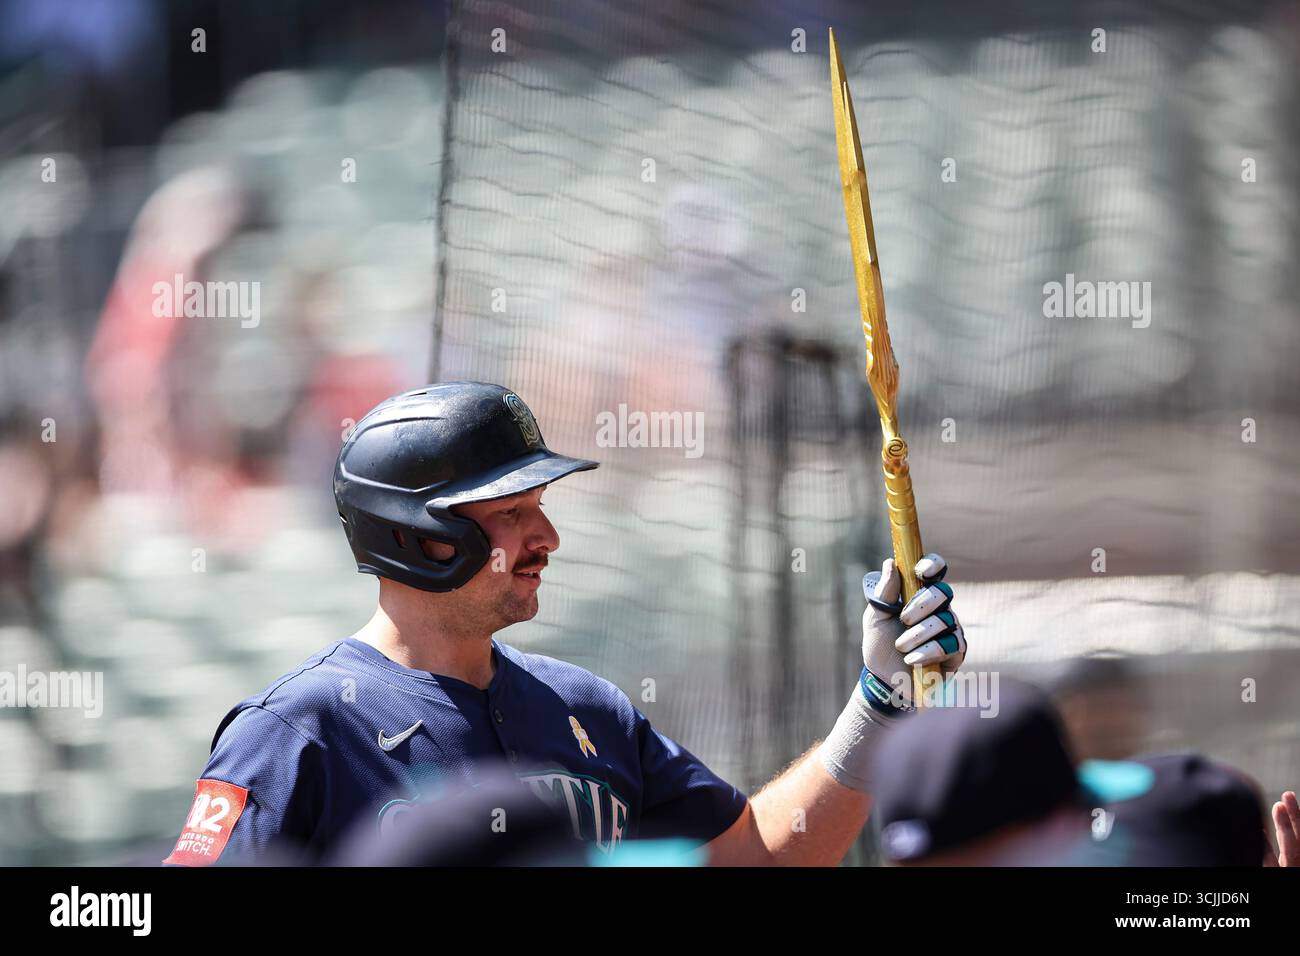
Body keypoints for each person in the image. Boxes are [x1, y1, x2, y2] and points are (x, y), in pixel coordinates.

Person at [163, 382, 968, 865]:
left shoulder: (590, 711)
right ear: (417, 536)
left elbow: (758, 859)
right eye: (513, 514)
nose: (545, 539)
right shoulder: (296, 734)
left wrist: (881, 705)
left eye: (540, 509)